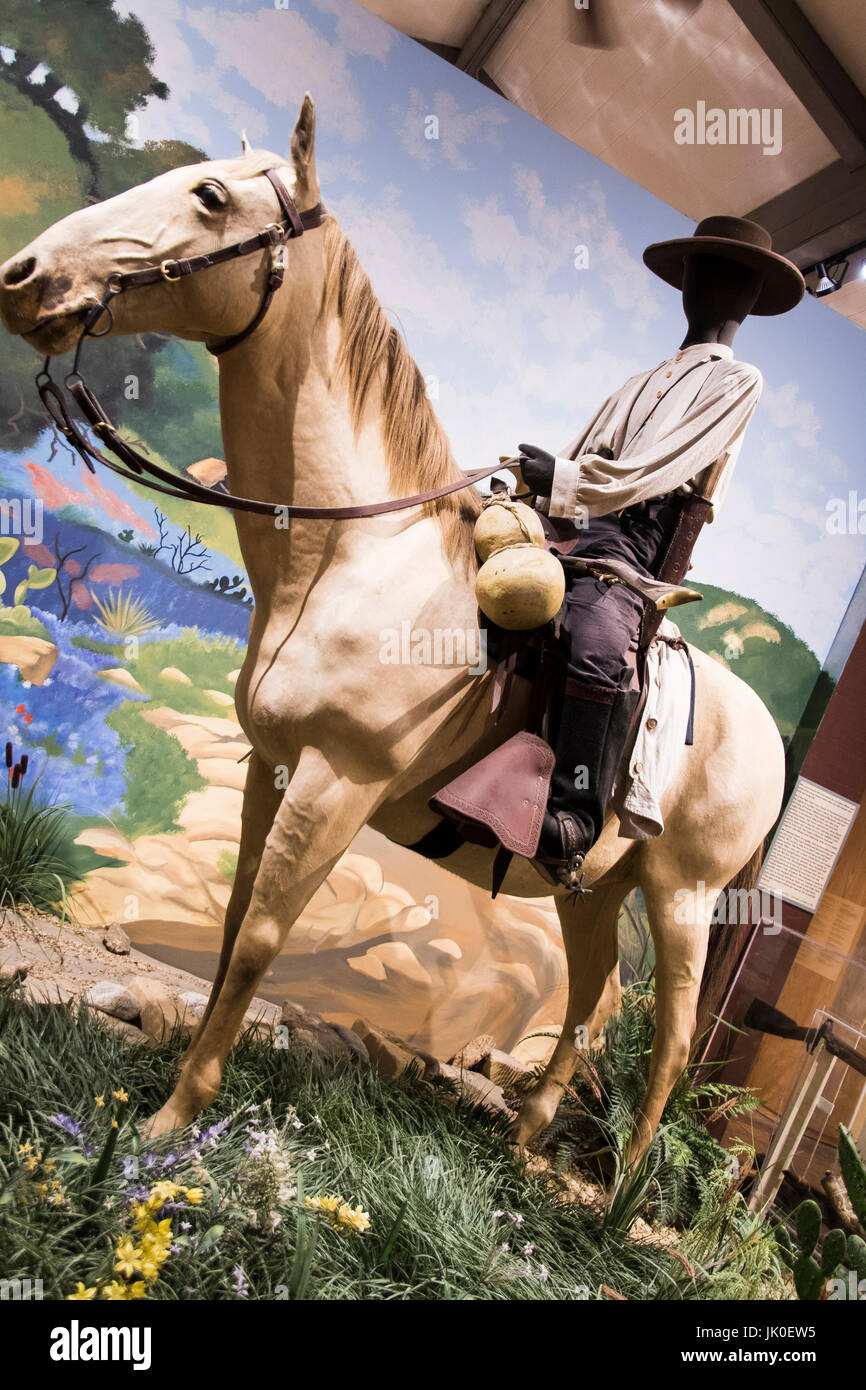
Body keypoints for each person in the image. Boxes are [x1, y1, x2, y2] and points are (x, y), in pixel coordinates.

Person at [516, 215, 804, 888]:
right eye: (703, 269)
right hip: (582, 513)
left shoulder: (739, 382)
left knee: (593, 632)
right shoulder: (640, 378)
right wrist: (533, 486)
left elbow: (651, 472)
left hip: (638, 539)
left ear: (748, 296)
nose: (710, 284)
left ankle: (573, 815)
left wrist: (563, 478)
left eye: (728, 275)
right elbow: (583, 452)